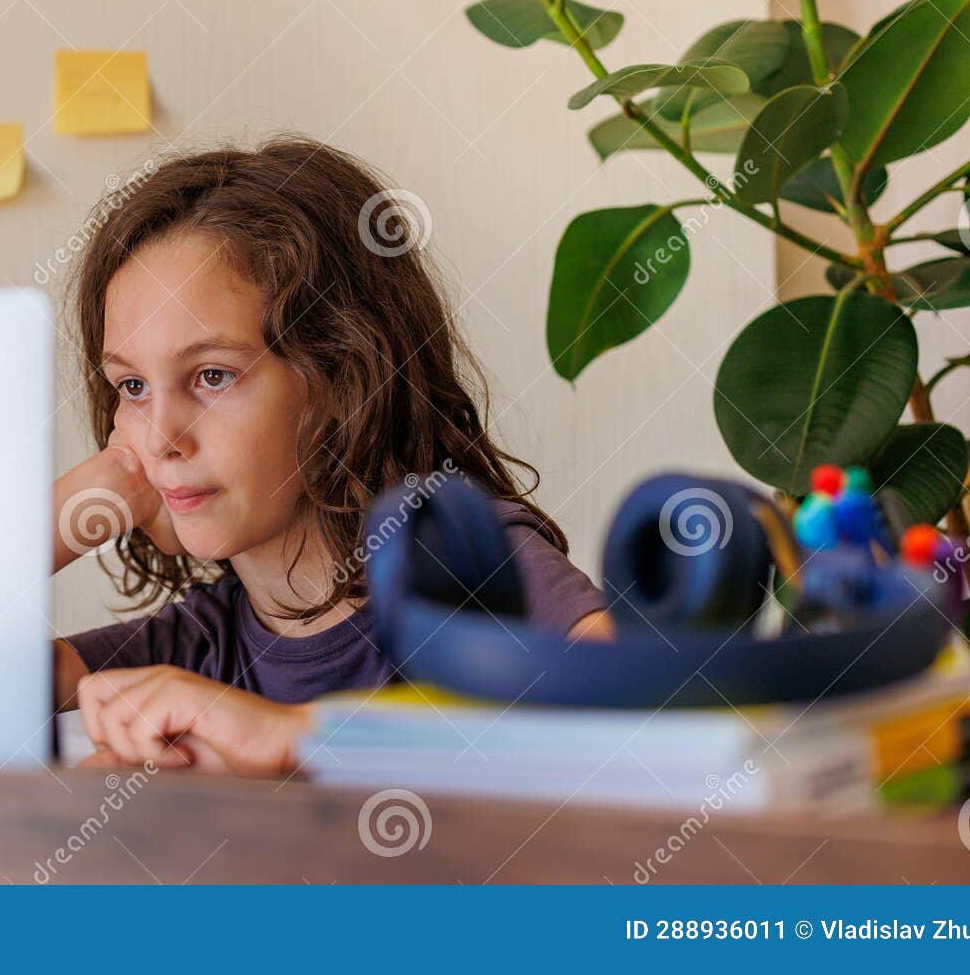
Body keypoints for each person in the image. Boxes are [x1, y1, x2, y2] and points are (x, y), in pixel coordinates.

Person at [50, 137, 613, 775]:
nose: (159, 437)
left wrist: (299, 735)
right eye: (132, 387)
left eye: (212, 376)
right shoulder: (201, 643)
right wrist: (78, 504)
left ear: (342, 377)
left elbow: (631, 690)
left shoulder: (452, 560)